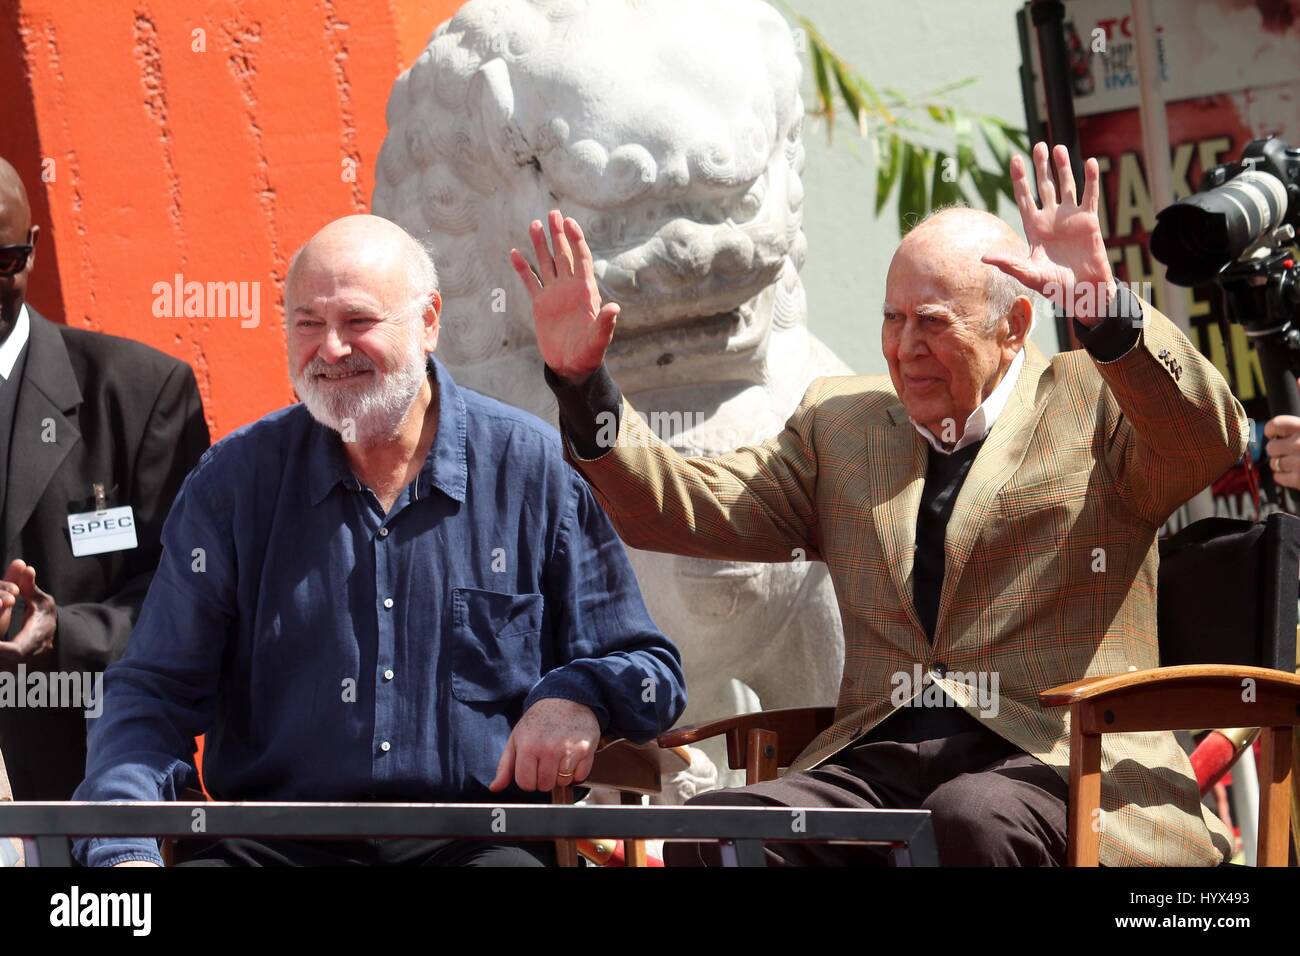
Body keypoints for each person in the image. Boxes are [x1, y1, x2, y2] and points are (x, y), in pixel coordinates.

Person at [513, 142, 1248, 866]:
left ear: (1014, 326)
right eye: (893, 319)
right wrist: (582, 386)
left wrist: (1106, 313)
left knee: (968, 816)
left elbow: (1205, 441)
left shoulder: (1095, 399)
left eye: (933, 321)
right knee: (715, 830)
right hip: (880, 763)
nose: (905, 346)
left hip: (1058, 762)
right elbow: (687, 507)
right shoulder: (843, 425)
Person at [72, 214, 685, 868]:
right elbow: (151, 692)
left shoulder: (529, 470)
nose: (331, 349)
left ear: (429, 321)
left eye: (358, 321)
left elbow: (649, 668)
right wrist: (123, 852)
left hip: (480, 843)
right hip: (274, 845)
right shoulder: (233, 485)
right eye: (308, 324)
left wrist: (578, 696)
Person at [0, 156, 209, 800]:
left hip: (85, 781)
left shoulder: (141, 394)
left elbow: (190, 597)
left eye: (1, 261)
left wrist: (62, 633)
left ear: (33, 249)